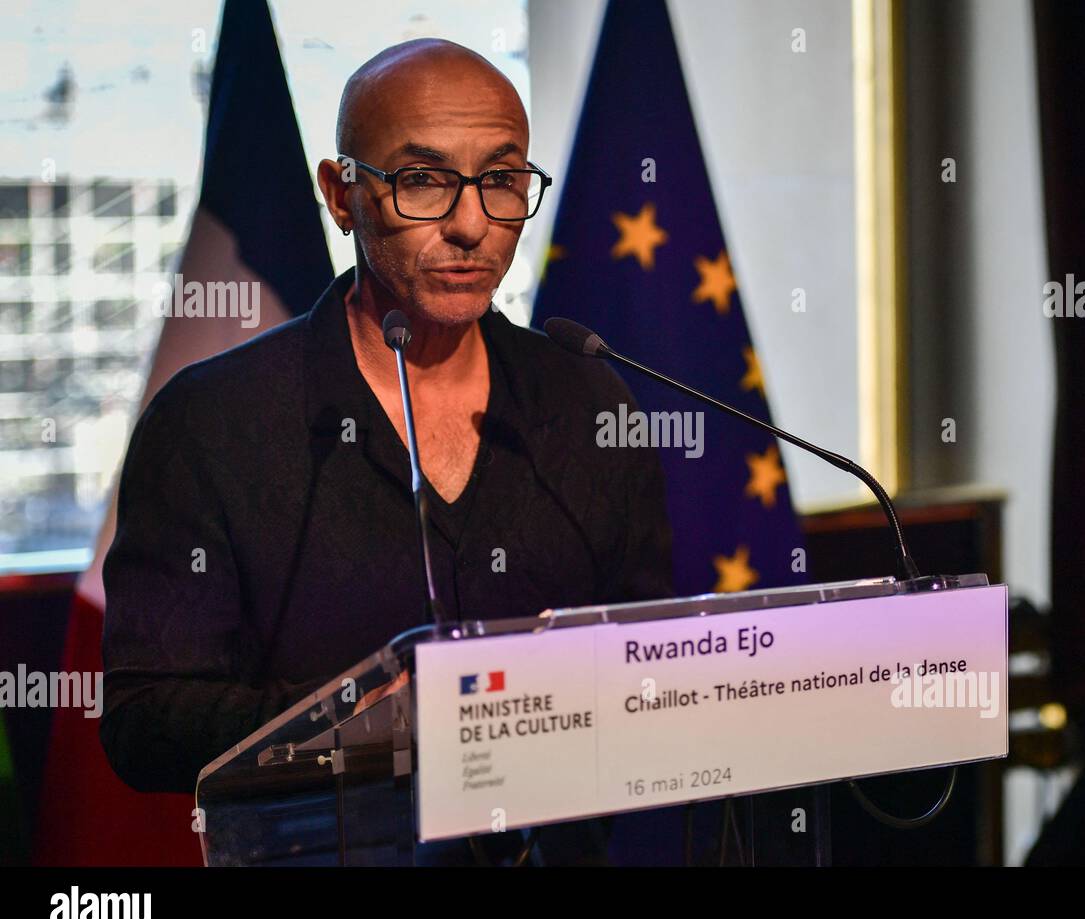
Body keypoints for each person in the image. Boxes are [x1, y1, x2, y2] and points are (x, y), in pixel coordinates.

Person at [99, 39, 673, 862]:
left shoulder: (589, 401)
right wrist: (371, 721)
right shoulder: (211, 424)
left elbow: (654, 665)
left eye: (503, 179)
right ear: (343, 195)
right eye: (424, 180)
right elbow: (145, 723)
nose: (472, 224)